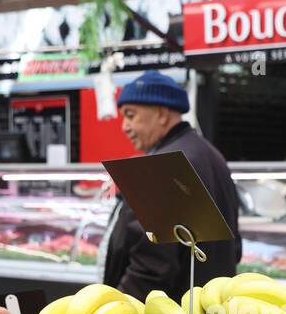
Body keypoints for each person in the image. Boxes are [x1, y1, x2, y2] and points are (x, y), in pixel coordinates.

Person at [100, 71, 240, 300]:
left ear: (162, 114)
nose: (124, 126)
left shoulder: (161, 167)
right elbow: (234, 249)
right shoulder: (213, 156)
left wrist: (118, 310)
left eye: (131, 115)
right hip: (212, 311)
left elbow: (151, 267)